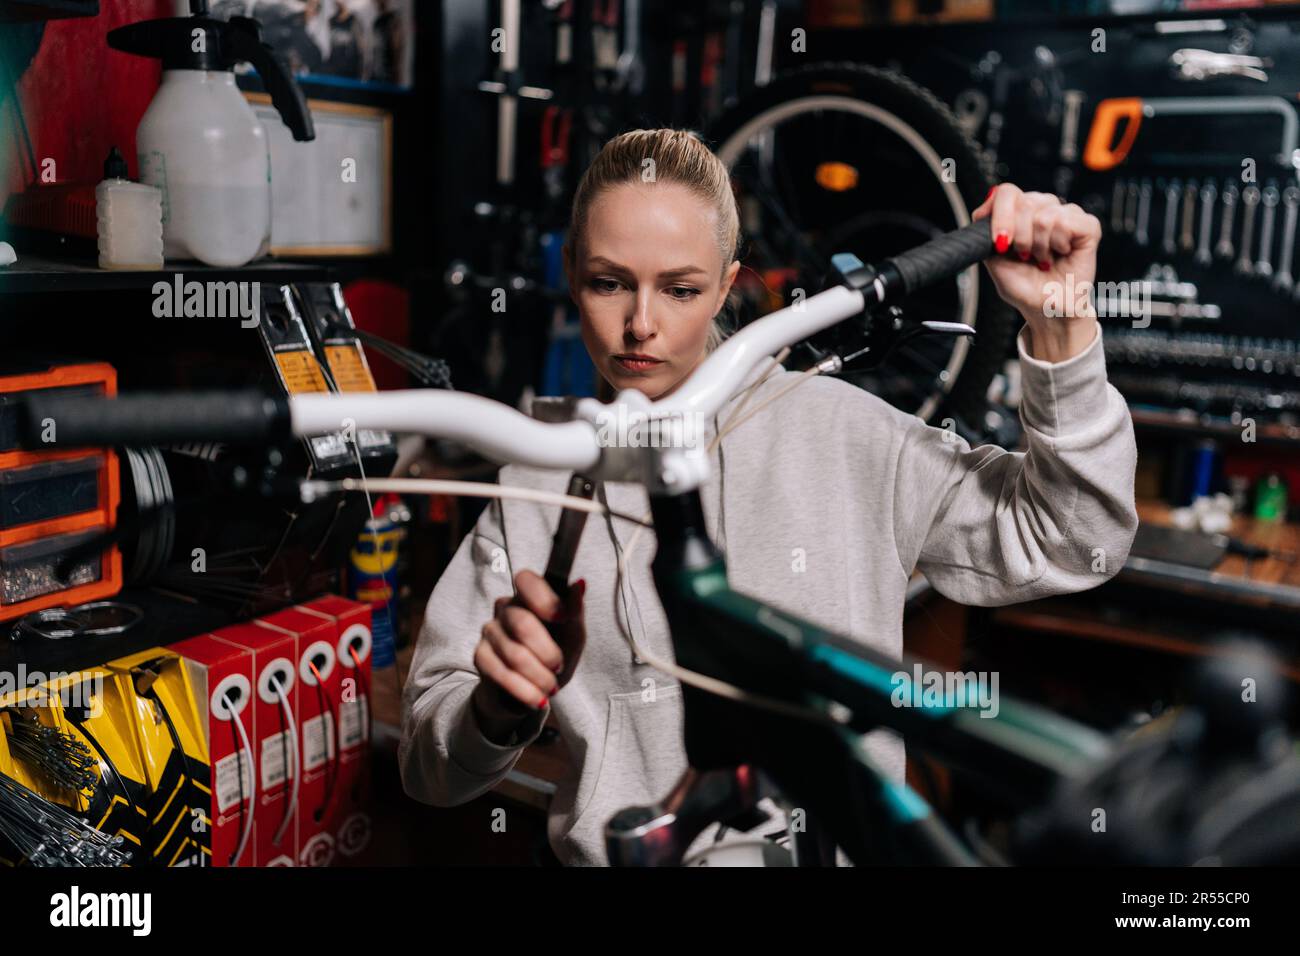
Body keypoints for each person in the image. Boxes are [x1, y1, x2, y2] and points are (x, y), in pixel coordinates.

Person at [400, 128, 1138, 866]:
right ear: (570, 273)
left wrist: (1062, 321)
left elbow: (1073, 541)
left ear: (727, 285)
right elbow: (429, 773)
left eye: (681, 289)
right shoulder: (539, 478)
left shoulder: (845, 432)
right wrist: (495, 710)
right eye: (609, 282)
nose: (641, 325)